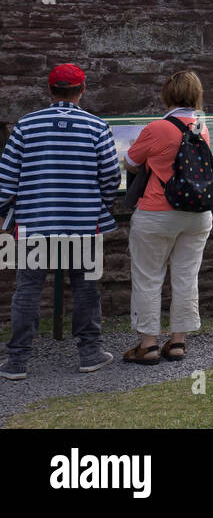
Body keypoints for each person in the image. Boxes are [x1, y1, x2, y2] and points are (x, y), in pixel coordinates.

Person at [0, 64, 118, 380]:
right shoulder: (97, 127)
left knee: (27, 290)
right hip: (82, 223)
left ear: (50, 90)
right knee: (85, 289)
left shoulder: (26, 126)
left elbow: (7, 179)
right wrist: (100, 206)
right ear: (82, 89)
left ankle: (17, 361)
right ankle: (90, 352)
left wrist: (6, 213)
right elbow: (110, 176)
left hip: (34, 223)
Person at [122, 71, 213, 364]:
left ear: (167, 95)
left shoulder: (157, 128)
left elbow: (131, 161)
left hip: (157, 212)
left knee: (149, 277)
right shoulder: (202, 126)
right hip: (197, 213)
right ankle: (177, 343)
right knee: (186, 277)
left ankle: (148, 345)